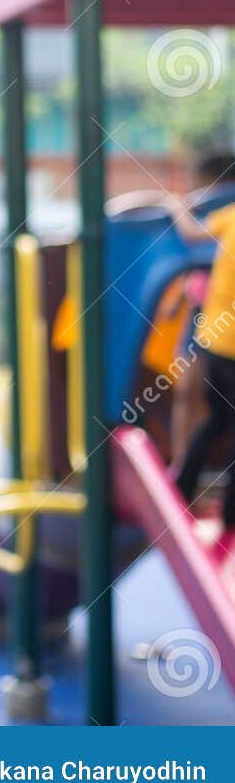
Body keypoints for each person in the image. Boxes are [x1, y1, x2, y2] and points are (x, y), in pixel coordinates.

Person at [159, 181, 235, 531]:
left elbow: (192, 233)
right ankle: (230, 514)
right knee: (221, 420)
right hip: (227, 344)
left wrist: (177, 207)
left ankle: (183, 485)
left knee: (218, 419)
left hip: (214, 341)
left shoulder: (230, 216)